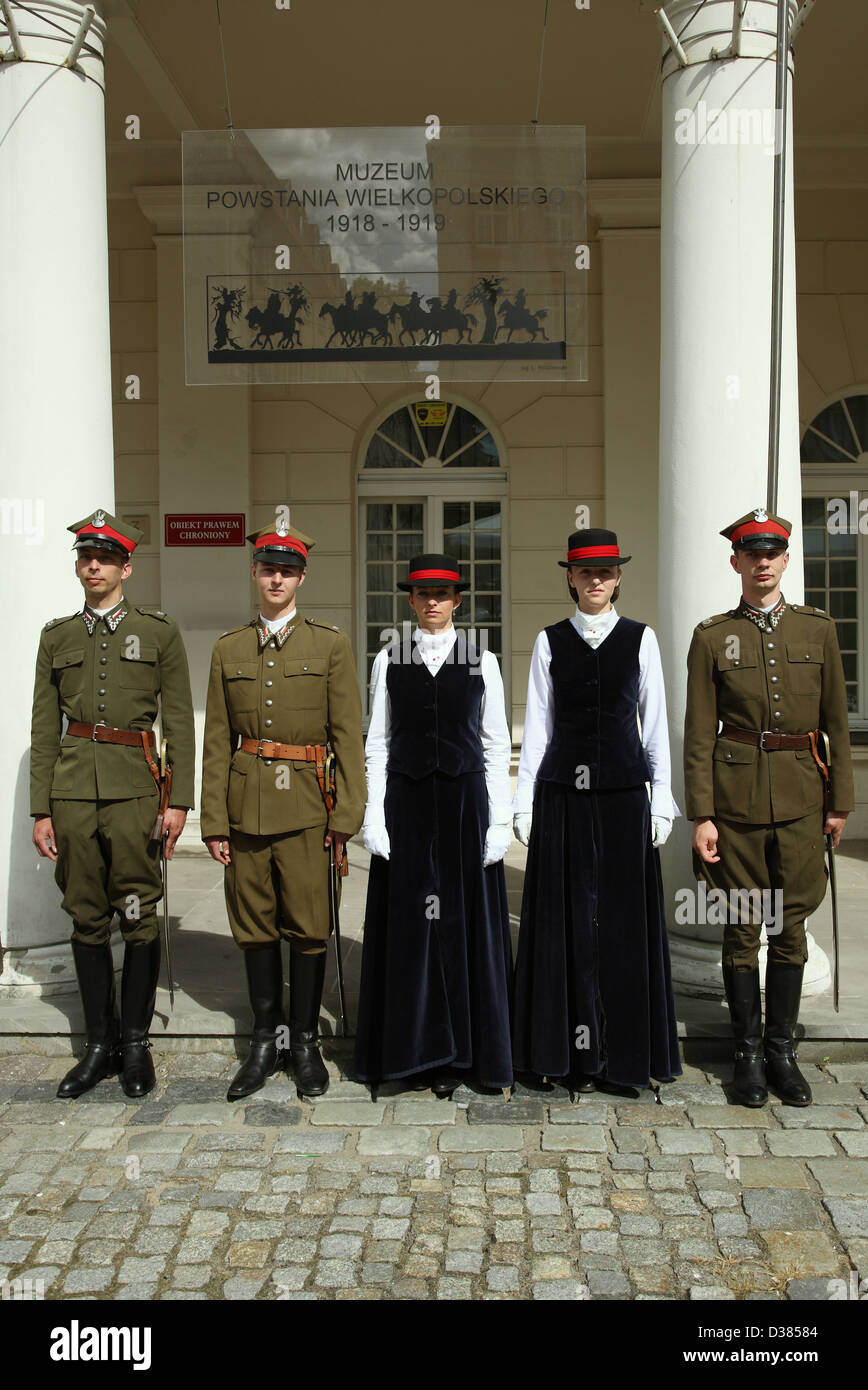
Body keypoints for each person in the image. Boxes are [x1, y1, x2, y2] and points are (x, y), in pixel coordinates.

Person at [684, 508, 854, 1107]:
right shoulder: (711, 636)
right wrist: (701, 814)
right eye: (750, 554)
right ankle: (747, 1055)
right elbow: (699, 733)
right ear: (736, 562)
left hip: (805, 800)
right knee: (742, 929)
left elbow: (836, 721)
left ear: (786, 561)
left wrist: (840, 805)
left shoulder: (818, 631)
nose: (761, 563)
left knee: (790, 929)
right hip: (736, 805)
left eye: (771, 554)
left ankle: (783, 1053)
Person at [31, 509, 195, 1099]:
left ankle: (135, 1043)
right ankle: (97, 1045)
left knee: (136, 912)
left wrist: (178, 801)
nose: (92, 565)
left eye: (103, 558)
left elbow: (178, 719)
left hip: (134, 791)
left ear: (126, 566)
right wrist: (41, 809)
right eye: (84, 557)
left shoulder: (158, 631)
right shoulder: (57, 636)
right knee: (85, 913)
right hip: (73, 791)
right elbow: (44, 727)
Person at [512, 528, 682, 1096]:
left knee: (620, 926)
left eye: (605, 572)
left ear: (618, 578)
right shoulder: (549, 641)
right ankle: (570, 1057)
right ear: (570, 577)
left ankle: (620, 1058)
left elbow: (654, 724)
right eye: (586, 572)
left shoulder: (641, 639)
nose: (595, 581)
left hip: (623, 796)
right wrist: (525, 803)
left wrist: (662, 799)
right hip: (563, 795)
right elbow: (538, 726)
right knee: (566, 926)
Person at [201, 521, 365, 1101]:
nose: (277, 578)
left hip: (307, 808)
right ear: (254, 573)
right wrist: (213, 821)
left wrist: (346, 818)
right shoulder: (228, 648)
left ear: (301, 577)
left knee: (309, 925)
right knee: (254, 927)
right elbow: (217, 741)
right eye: (268, 569)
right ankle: (263, 1043)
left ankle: (304, 1042)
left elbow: (348, 736)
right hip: (245, 809)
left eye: (287, 570)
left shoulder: (330, 645)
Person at [354, 554, 514, 1097]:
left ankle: (465, 1053)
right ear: (409, 600)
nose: (432, 603)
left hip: (466, 804)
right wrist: (373, 812)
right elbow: (376, 741)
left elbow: (495, 744)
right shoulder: (388, 659)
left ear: (458, 600)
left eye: (442, 594)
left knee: (463, 927)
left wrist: (499, 819)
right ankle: (412, 1052)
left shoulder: (482, 659)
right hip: (408, 803)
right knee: (411, 930)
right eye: (423, 594)